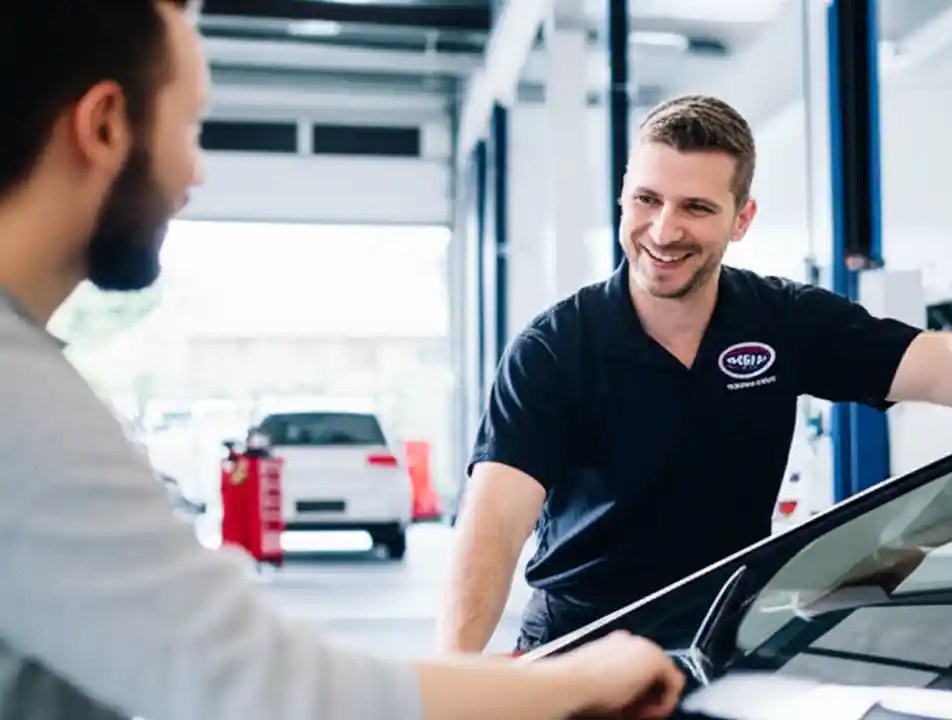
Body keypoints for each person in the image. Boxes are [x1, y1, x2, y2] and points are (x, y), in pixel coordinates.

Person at [0, 3, 685, 720]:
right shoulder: (20, 404)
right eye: (190, 126)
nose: (194, 172)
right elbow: (267, 688)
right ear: (104, 125)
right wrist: (582, 679)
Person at [438, 93, 952, 655]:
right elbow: (494, 525)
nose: (663, 231)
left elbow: (941, 362)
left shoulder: (779, 320)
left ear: (742, 219)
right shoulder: (554, 349)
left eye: (697, 209)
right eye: (646, 199)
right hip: (582, 640)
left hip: (722, 633)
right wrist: (456, 684)